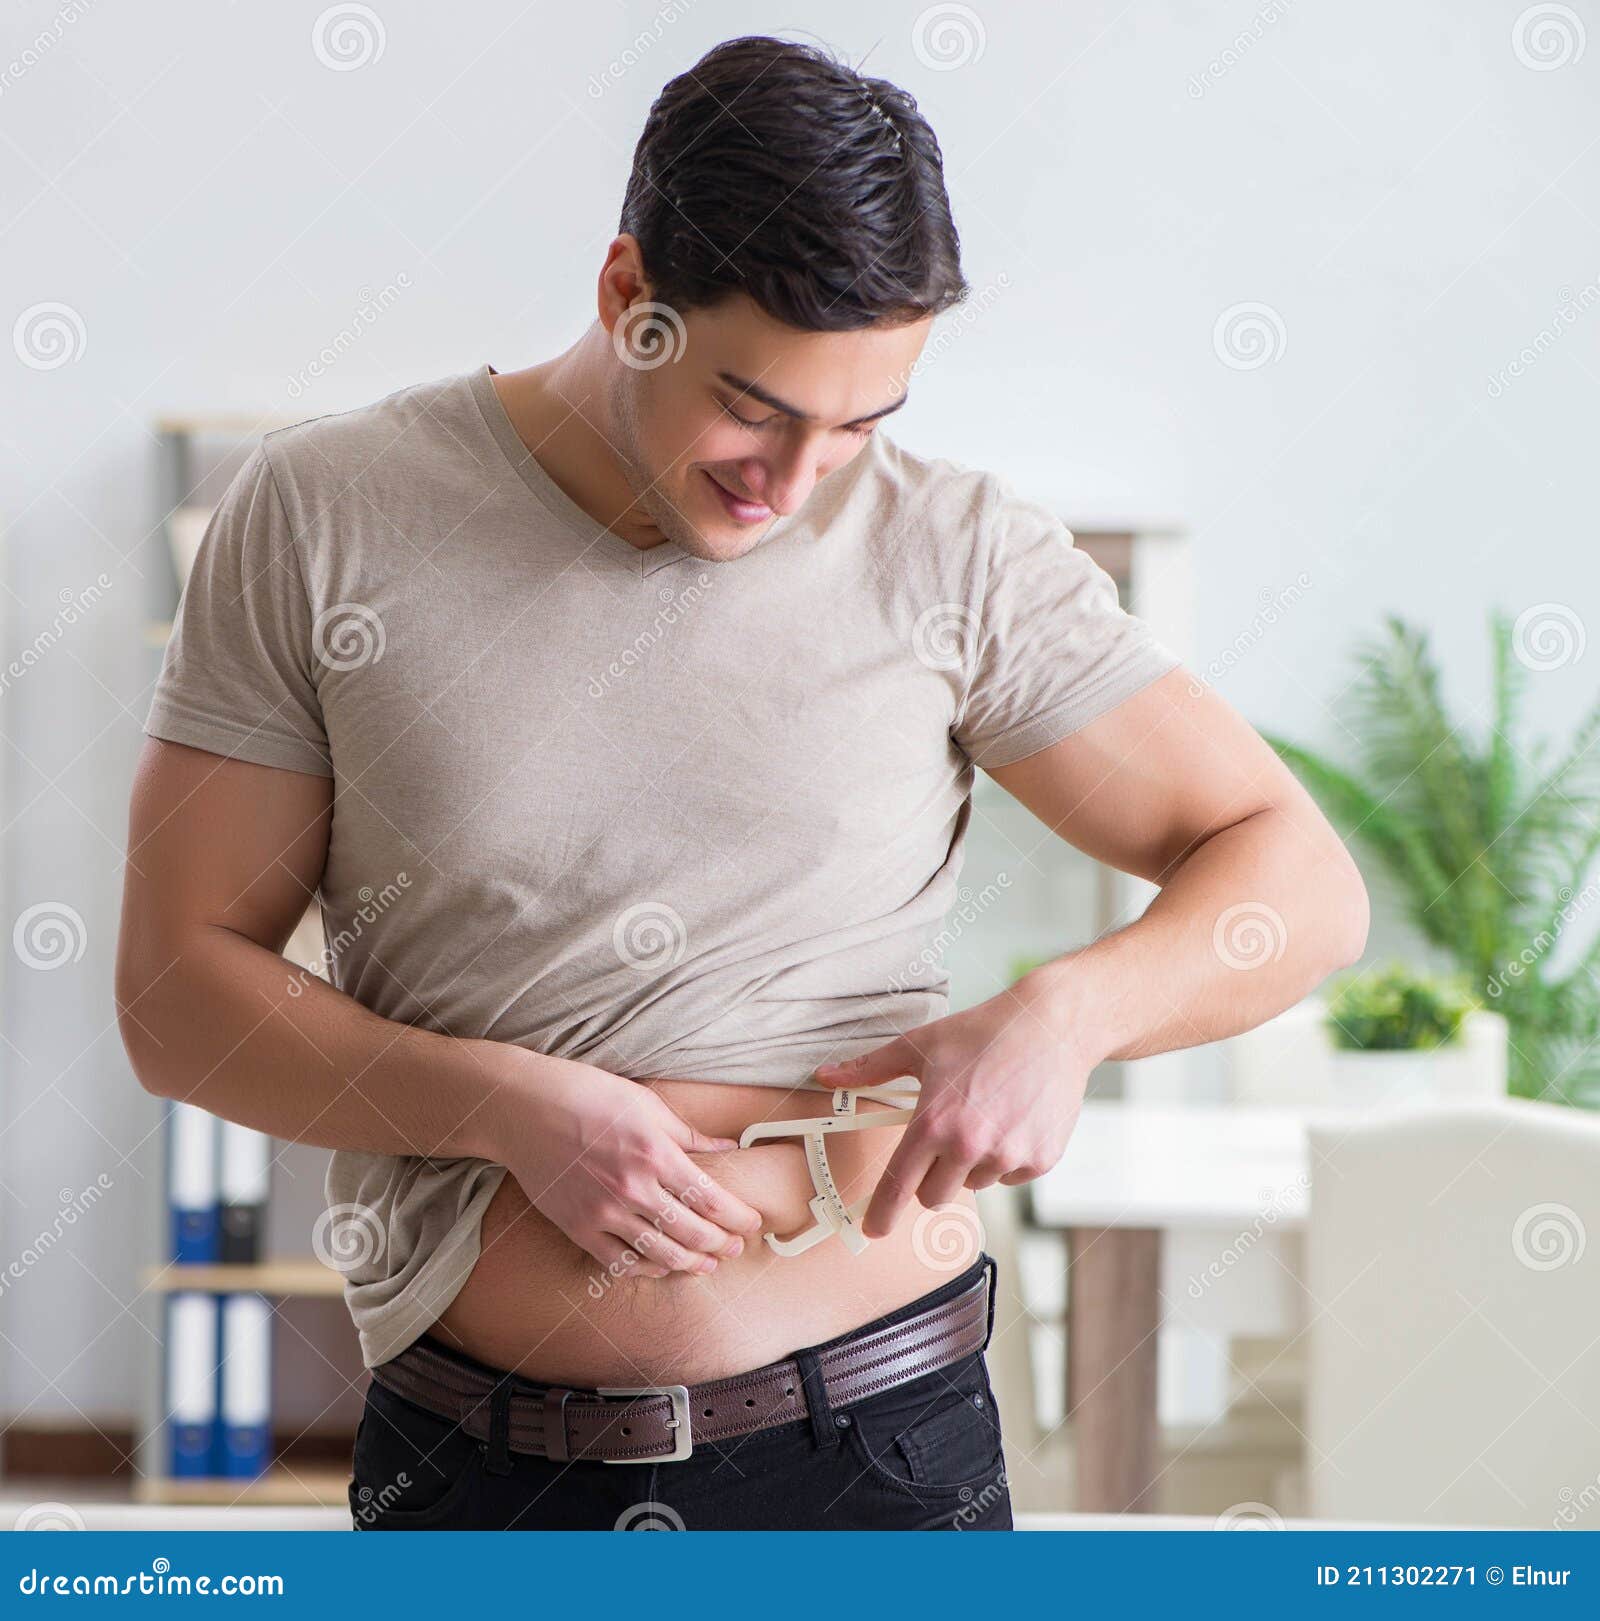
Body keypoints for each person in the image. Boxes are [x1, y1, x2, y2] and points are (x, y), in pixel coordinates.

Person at [116, 35, 1368, 1531]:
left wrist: (1067, 1013)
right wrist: (504, 1108)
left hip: (882, 1451)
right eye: (754, 405)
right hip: (477, 1464)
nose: (796, 478)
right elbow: (178, 990)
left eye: (857, 426)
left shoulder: (952, 550)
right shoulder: (320, 515)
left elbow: (1295, 876)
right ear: (625, 295)